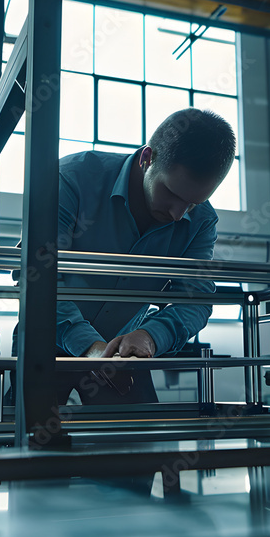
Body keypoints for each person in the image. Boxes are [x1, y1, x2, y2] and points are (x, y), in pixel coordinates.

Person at [47, 107, 236, 405]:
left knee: (142, 444)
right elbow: (36, 278)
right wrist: (92, 347)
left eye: (192, 204)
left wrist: (149, 337)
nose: (177, 215)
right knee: (18, 439)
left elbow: (195, 301)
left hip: (124, 351)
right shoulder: (70, 179)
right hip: (47, 339)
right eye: (172, 194)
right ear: (147, 158)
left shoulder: (202, 222)